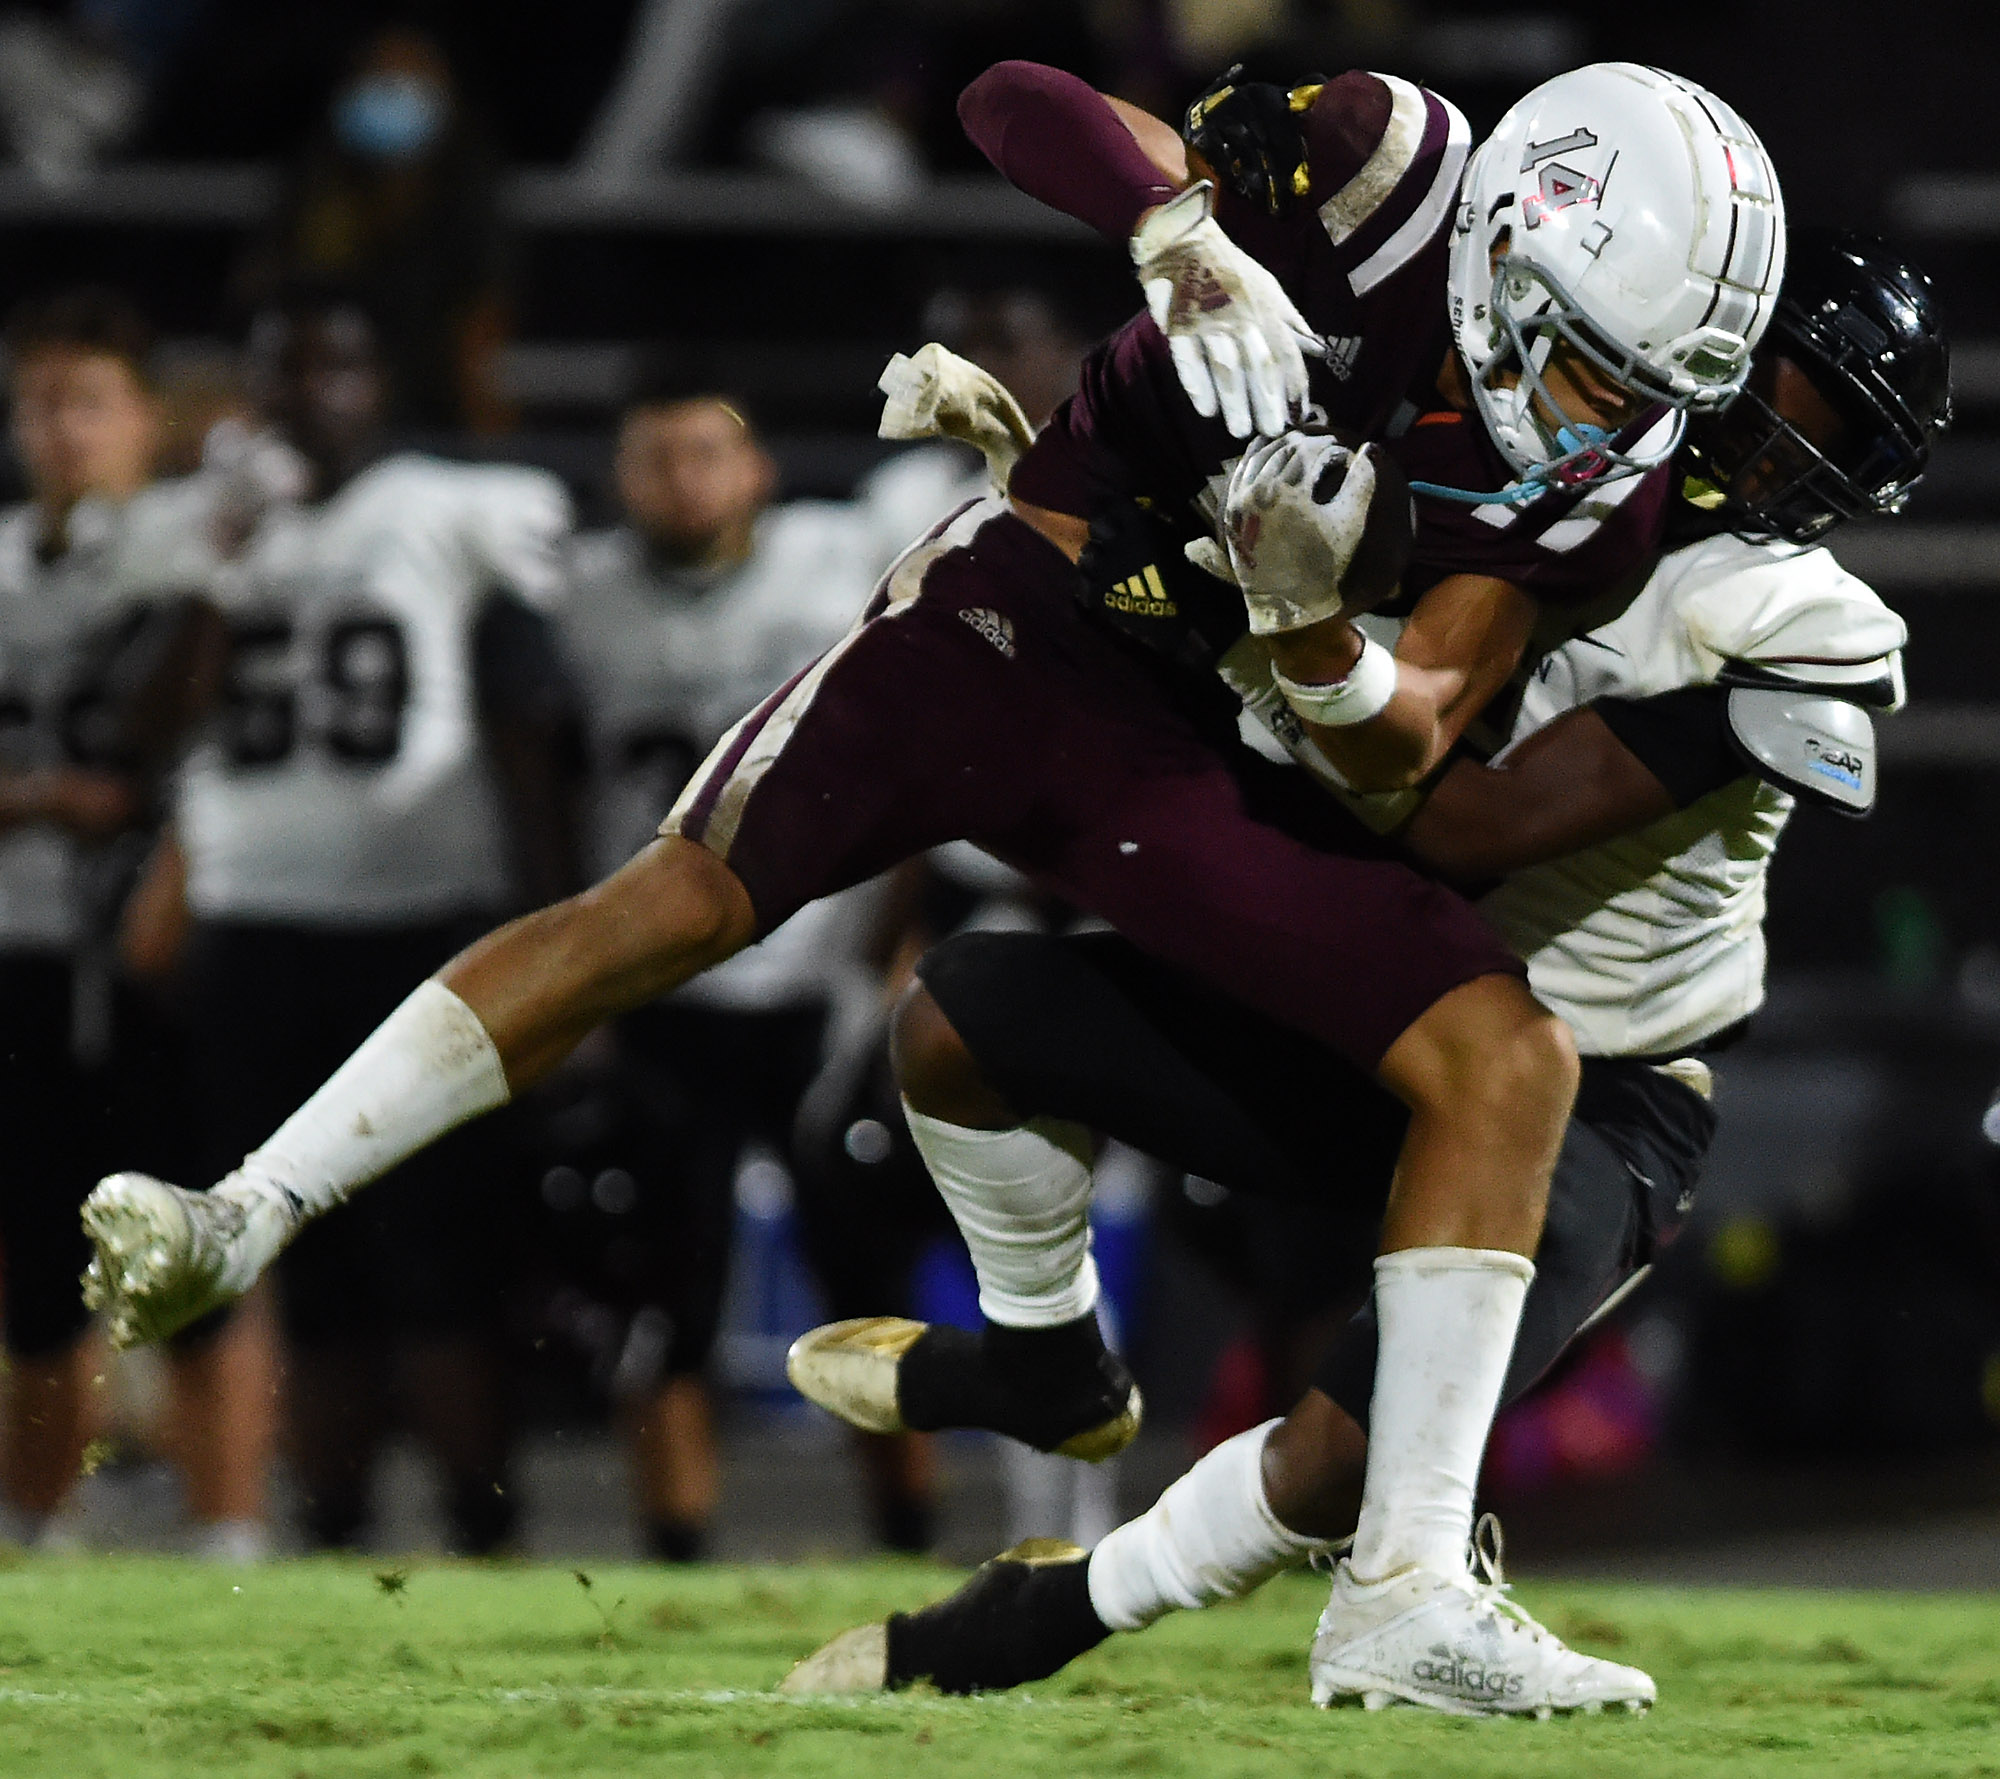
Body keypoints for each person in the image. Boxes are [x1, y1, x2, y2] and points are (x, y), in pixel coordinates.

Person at [84, 58, 1780, 1714]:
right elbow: (1013, 101)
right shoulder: (1382, 174)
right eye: (1593, 364)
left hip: (1205, 736)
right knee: (674, 900)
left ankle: (1399, 1586)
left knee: (1504, 1055)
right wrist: (1181, 232)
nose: (1611, 420)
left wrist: (1317, 633)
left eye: (1652, 388)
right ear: (1507, 246)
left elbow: (1411, 740)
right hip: (1012, 618)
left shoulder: (1605, 490)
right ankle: (251, 1207)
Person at [777, 228, 1949, 1702]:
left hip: (1596, 1085)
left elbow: (1475, 825)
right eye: (1795, 400)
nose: (1796, 456)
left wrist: (1277, 638)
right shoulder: (1479, 468)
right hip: (1380, 1015)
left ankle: (1043, 1615)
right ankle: (1046, 1360)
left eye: (1836, 436)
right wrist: (1065, 500)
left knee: (1357, 1448)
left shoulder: (1787, 619)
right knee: (961, 1014)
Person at [153, 292, 573, 1554]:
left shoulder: (449, 508)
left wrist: (555, 935)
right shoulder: (207, 528)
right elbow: (147, 726)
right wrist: (218, 565)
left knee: (444, 1256)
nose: (305, 394)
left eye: (331, 367)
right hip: (257, 927)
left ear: (375, 384)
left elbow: (529, 726)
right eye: (280, 370)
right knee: (306, 1262)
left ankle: (481, 1532)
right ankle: (329, 1535)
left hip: (421, 929)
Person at [554, 377, 887, 1559]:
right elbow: (543, 779)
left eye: (704, 452)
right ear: (618, 477)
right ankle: (676, 1552)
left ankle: (906, 1531)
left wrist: (892, 942)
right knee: (660, 1284)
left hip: (817, 978)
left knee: (866, 1274)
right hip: (660, 990)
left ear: (758, 469)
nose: (682, 480)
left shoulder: (842, 565)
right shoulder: (578, 597)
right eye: (654, 457)